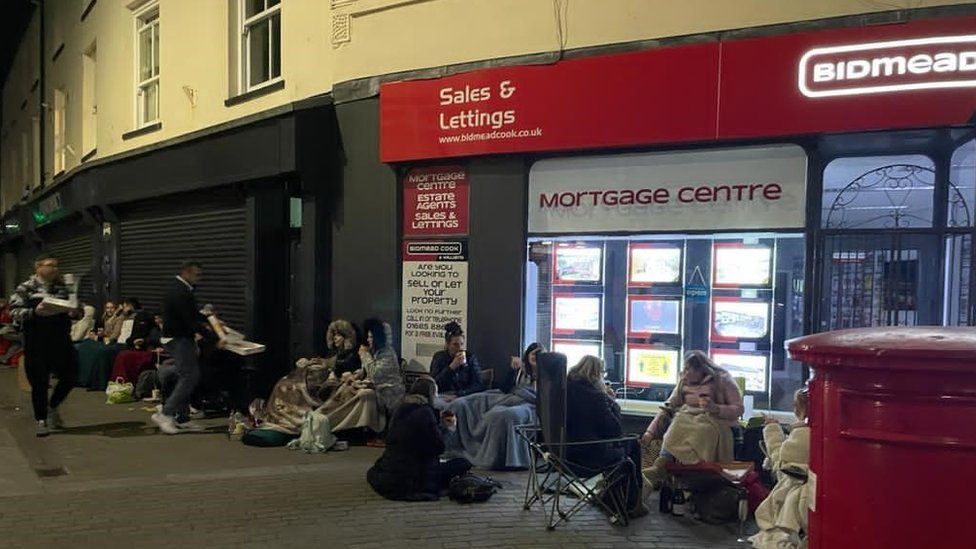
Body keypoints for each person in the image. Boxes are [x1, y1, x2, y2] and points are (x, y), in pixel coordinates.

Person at [642, 350, 744, 488]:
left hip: (715, 421)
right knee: (677, 422)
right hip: (686, 418)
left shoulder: (722, 380)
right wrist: (650, 432)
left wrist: (716, 408)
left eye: (688, 369)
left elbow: (738, 409)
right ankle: (661, 463)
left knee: (703, 429)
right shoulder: (683, 381)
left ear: (701, 370)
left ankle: (699, 469)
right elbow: (668, 407)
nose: (685, 373)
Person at [367, 376, 472, 501]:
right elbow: (439, 447)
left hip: (392, 469)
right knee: (463, 463)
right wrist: (449, 428)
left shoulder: (401, 407)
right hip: (416, 474)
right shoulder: (425, 412)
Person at [9, 254, 80, 437]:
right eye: (50, 265)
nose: (55, 269)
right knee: (39, 382)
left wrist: (74, 312)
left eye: (56, 266)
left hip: (61, 340)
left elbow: (77, 309)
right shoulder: (26, 288)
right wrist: (34, 312)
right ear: (38, 267)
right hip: (36, 342)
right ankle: (41, 419)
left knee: (71, 375)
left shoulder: (63, 287)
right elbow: (14, 312)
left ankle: (52, 406)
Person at [565, 355, 645, 518]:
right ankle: (631, 502)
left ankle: (612, 496)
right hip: (589, 458)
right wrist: (611, 402)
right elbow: (615, 430)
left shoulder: (563, 390)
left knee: (622, 447)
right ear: (596, 374)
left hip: (562, 455)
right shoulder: (597, 397)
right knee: (632, 444)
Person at [443, 343, 543, 469]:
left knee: (500, 415)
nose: (535, 356)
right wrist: (513, 370)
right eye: (533, 353)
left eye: (538, 354)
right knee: (461, 404)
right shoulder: (520, 370)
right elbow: (504, 388)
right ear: (528, 355)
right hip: (507, 396)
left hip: (528, 404)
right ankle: (452, 448)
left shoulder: (547, 375)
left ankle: (490, 457)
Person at [152, 261, 213, 435]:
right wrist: (213, 337)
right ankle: (166, 413)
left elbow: (191, 314)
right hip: (179, 339)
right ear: (186, 272)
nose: (199, 278)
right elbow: (189, 320)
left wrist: (209, 320)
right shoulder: (180, 292)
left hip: (180, 337)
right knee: (190, 375)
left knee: (184, 375)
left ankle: (182, 418)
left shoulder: (180, 288)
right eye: (197, 275)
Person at [750, 388, 811, 549]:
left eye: (795, 404)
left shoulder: (803, 434)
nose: (793, 408)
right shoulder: (814, 431)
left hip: (797, 493)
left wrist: (772, 429)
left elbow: (780, 463)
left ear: (803, 408)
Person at [429, 321, 483, 399]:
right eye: (455, 344)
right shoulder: (439, 357)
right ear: (447, 344)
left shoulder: (470, 357)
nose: (459, 348)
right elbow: (434, 384)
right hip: (443, 395)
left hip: (464, 396)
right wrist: (451, 367)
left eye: (461, 344)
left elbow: (478, 384)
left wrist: (459, 394)